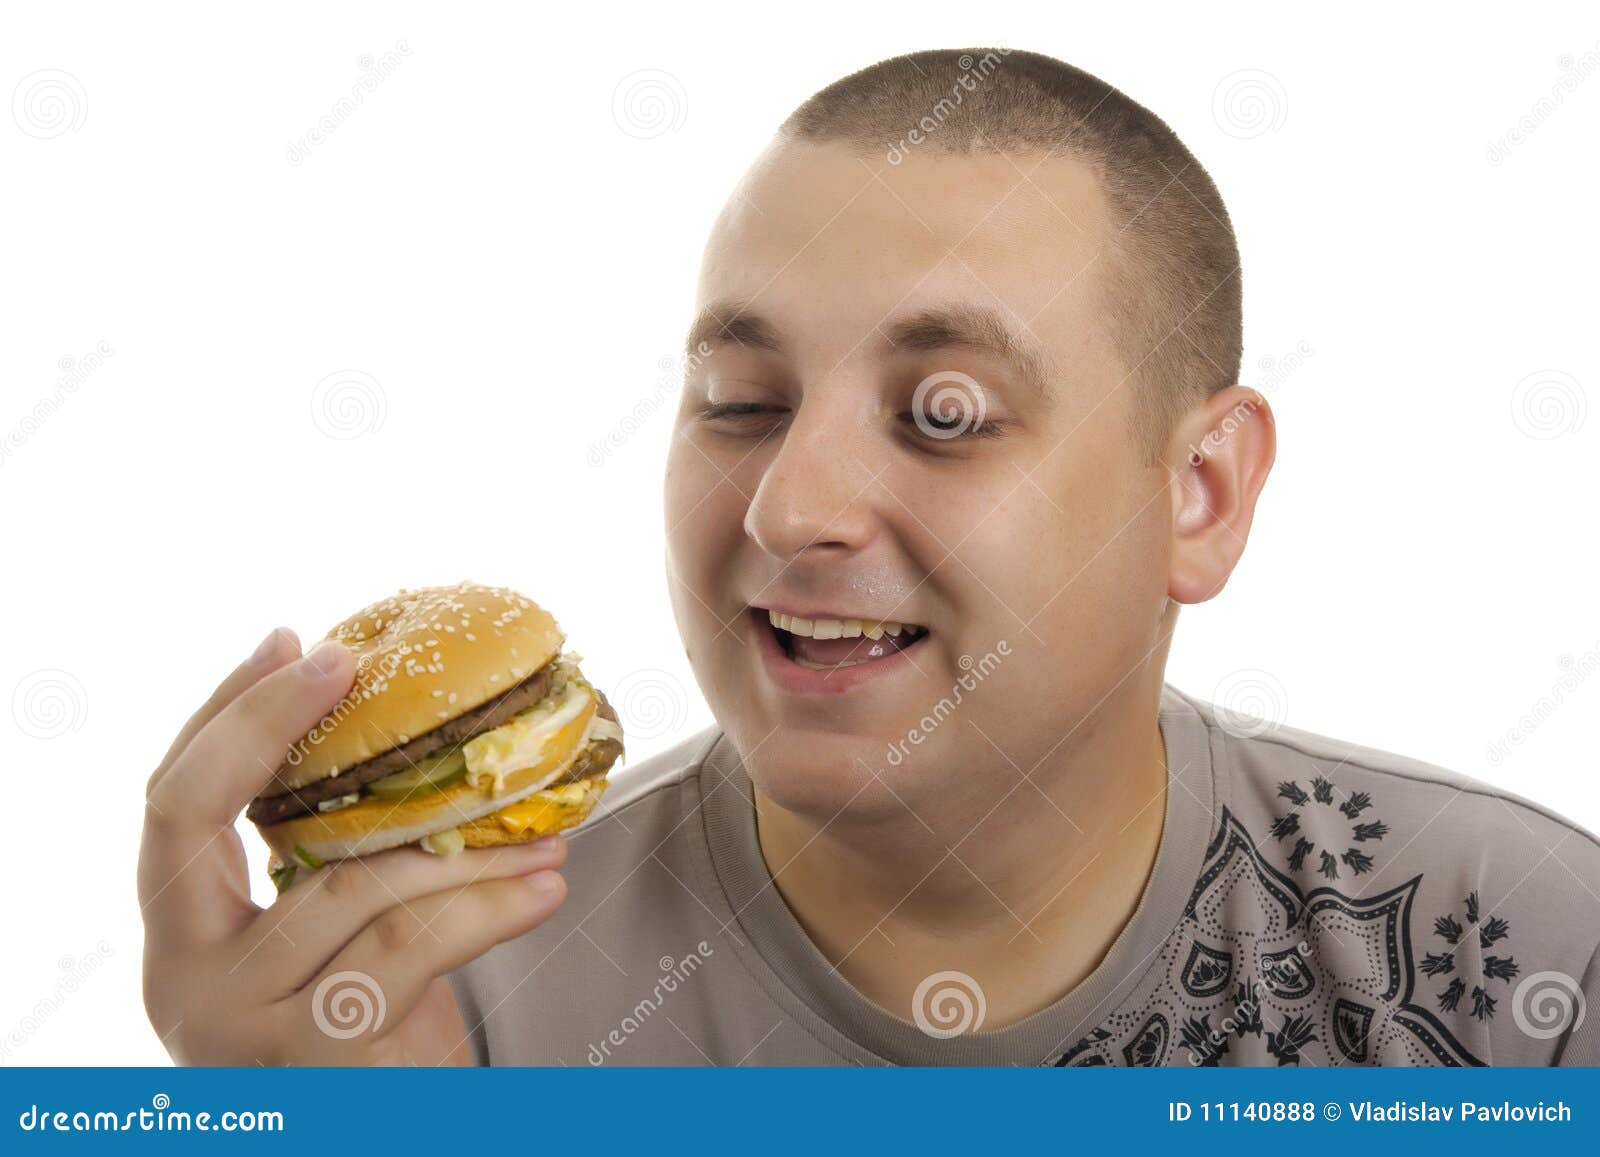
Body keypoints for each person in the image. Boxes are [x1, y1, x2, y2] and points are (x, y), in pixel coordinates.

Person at [141, 47, 1599, 1066]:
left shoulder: (1525, 964)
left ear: (1201, 492)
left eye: (944, 411)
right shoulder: (430, 1005)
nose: (790, 508)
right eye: (741, 405)